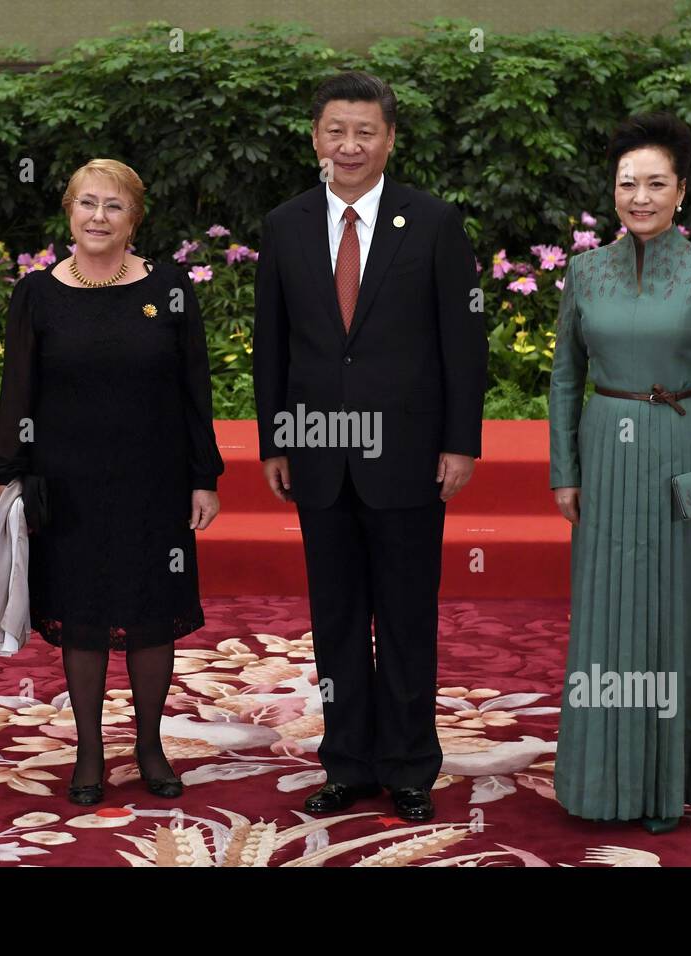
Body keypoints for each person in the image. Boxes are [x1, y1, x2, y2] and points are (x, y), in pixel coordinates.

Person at [253, 71, 488, 822]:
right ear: (314, 137)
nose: (348, 145)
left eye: (364, 132)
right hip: (318, 453)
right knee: (338, 617)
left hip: (410, 454)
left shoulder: (433, 223)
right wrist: (275, 441)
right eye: (334, 131)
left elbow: (463, 342)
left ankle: (411, 763)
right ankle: (348, 760)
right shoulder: (284, 226)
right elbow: (271, 347)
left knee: (409, 613)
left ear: (390, 139)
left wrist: (460, 442)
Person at [0, 158, 224, 806]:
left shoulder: (170, 288)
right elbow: (18, 394)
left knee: (152, 617)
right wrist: (14, 475)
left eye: (113, 206)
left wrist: (205, 477)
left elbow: (194, 390)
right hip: (69, 488)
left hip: (155, 483)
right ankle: (89, 751)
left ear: (134, 219)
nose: (98, 217)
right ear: (68, 212)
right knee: (82, 618)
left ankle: (150, 745)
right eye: (87, 204)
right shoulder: (37, 293)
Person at [549, 112, 691, 833]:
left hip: (682, 453)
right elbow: (564, 380)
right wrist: (563, 470)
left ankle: (675, 782)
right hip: (604, 450)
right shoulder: (583, 270)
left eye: (656, 183)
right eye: (627, 183)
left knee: (676, 613)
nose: (640, 196)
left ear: (682, 191)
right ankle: (604, 782)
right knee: (605, 616)